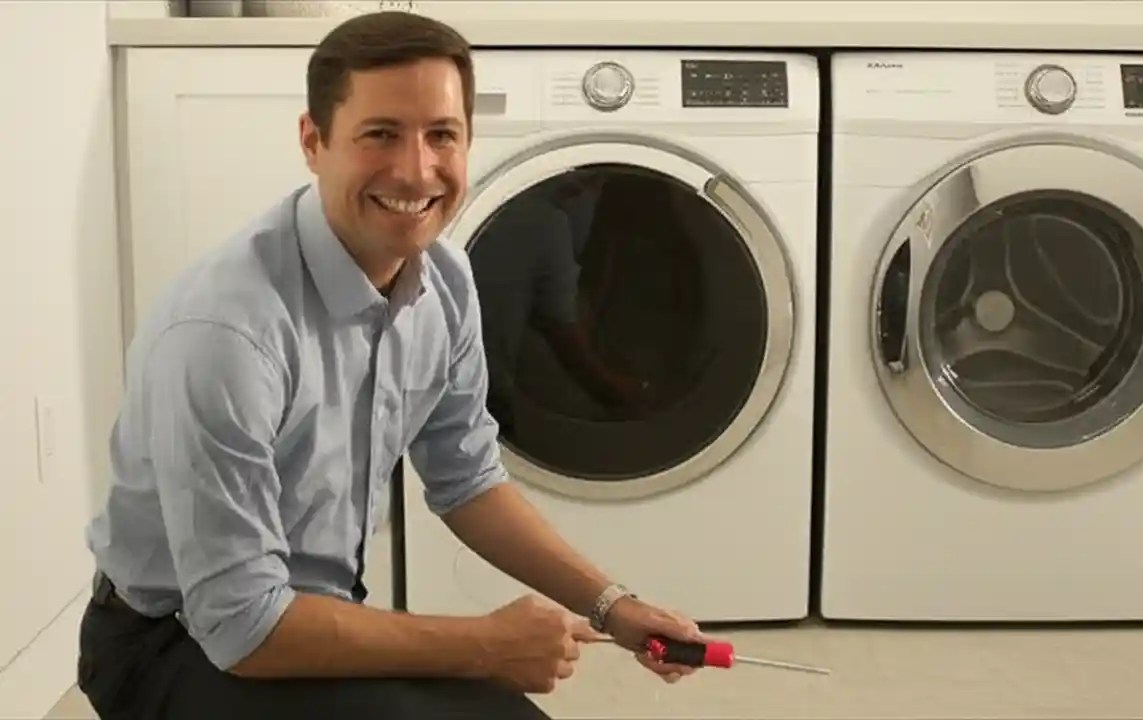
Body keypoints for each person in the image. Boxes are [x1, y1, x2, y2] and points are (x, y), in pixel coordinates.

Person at [76, 11, 709, 720]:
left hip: (308, 612)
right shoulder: (227, 332)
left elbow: (466, 479)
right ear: (313, 142)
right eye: (380, 134)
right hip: (169, 644)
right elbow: (242, 628)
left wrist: (613, 606)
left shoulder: (444, 281)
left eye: (442, 134)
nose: (416, 170)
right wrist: (485, 644)